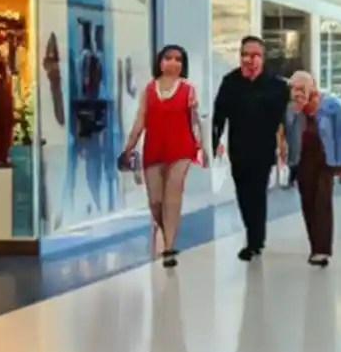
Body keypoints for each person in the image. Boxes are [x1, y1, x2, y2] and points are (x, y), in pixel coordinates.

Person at [120, 44, 200, 268]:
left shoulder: (188, 89)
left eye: (178, 59)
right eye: (168, 58)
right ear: (160, 62)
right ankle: (166, 233)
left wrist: (201, 143)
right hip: (154, 149)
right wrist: (130, 146)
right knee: (155, 202)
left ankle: (169, 247)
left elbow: (194, 120)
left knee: (173, 193)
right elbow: (141, 119)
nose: (173, 63)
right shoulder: (149, 90)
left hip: (181, 148)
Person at [212, 36, 290, 261]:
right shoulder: (231, 82)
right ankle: (253, 233)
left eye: (255, 55)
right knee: (243, 195)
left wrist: (284, 144)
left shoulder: (276, 86)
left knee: (257, 194)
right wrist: (214, 141)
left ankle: (255, 240)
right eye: (245, 55)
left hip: (264, 150)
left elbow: (285, 119)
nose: (249, 60)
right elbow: (219, 115)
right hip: (238, 148)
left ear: (262, 58)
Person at [284, 72, 341, 267]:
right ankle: (314, 245)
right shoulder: (293, 108)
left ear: (312, 88)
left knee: (322, 201)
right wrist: (296, 111)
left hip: (325, 159)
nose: (296, 93)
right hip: (303, 159)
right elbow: (287, 133)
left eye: (301, 89)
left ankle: (322, 250)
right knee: (308, 202)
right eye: (293, 89)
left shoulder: (332, 106)